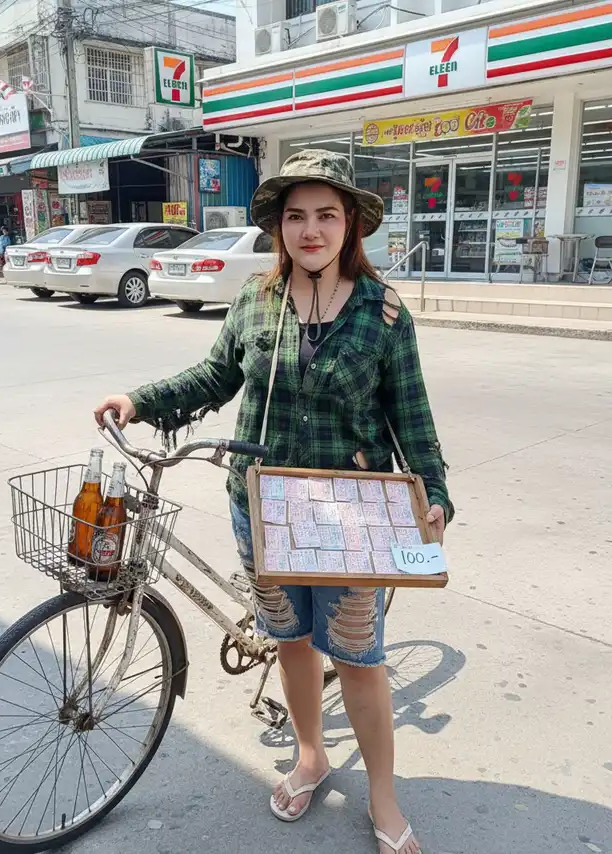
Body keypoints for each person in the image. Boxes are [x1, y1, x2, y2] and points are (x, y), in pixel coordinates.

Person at [94, 149, 453, 854]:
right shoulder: (258, 301)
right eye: (296, 216)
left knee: (359, 658)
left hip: (351, 517)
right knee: (290, 644)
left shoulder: (383, 313)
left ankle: (382, 795)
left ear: (350, 225)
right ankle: (311, 757)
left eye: (326, 215)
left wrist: (434, 493)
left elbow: (411, 415)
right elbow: (213, 376)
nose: (310, 230)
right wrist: (139, 400)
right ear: (279, 227)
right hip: (263, 510)